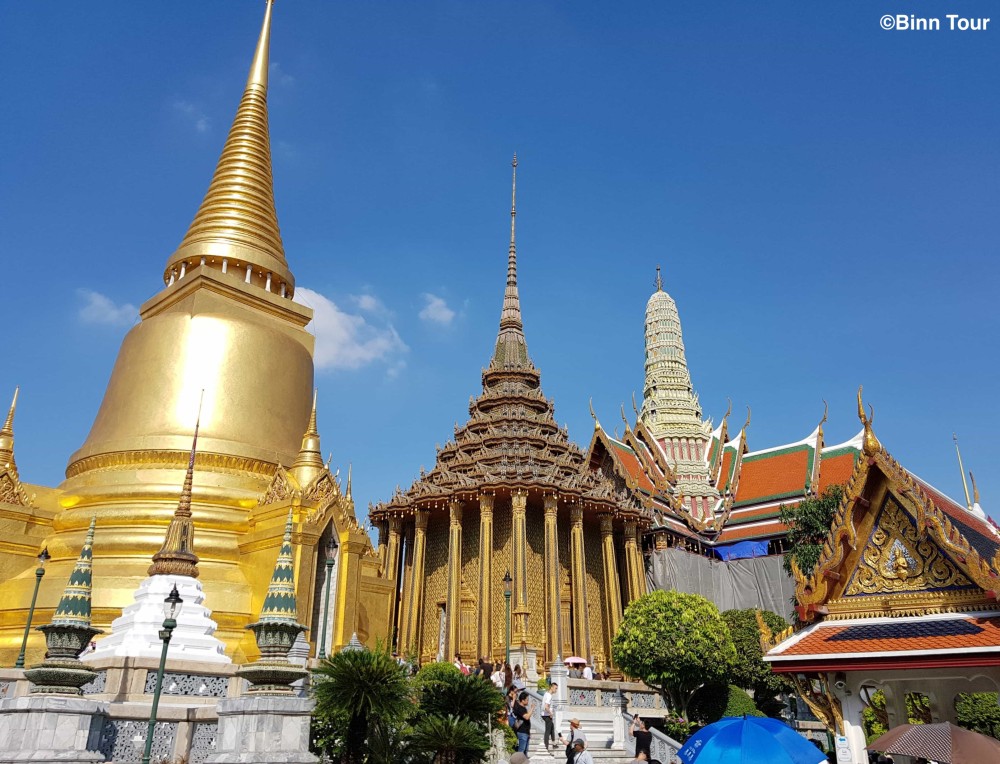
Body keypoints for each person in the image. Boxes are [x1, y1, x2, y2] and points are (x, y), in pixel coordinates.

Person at [542, 683, 557, 750]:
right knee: (548, 731)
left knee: (552, 728)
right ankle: (546, 746)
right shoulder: (549, 696)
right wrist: (550, 713)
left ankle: (554, 744)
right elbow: (546, 707)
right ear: (551, 687)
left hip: (545, 714)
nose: (556, 690)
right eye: (555, 688)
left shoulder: (547, 694)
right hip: (546, 715)